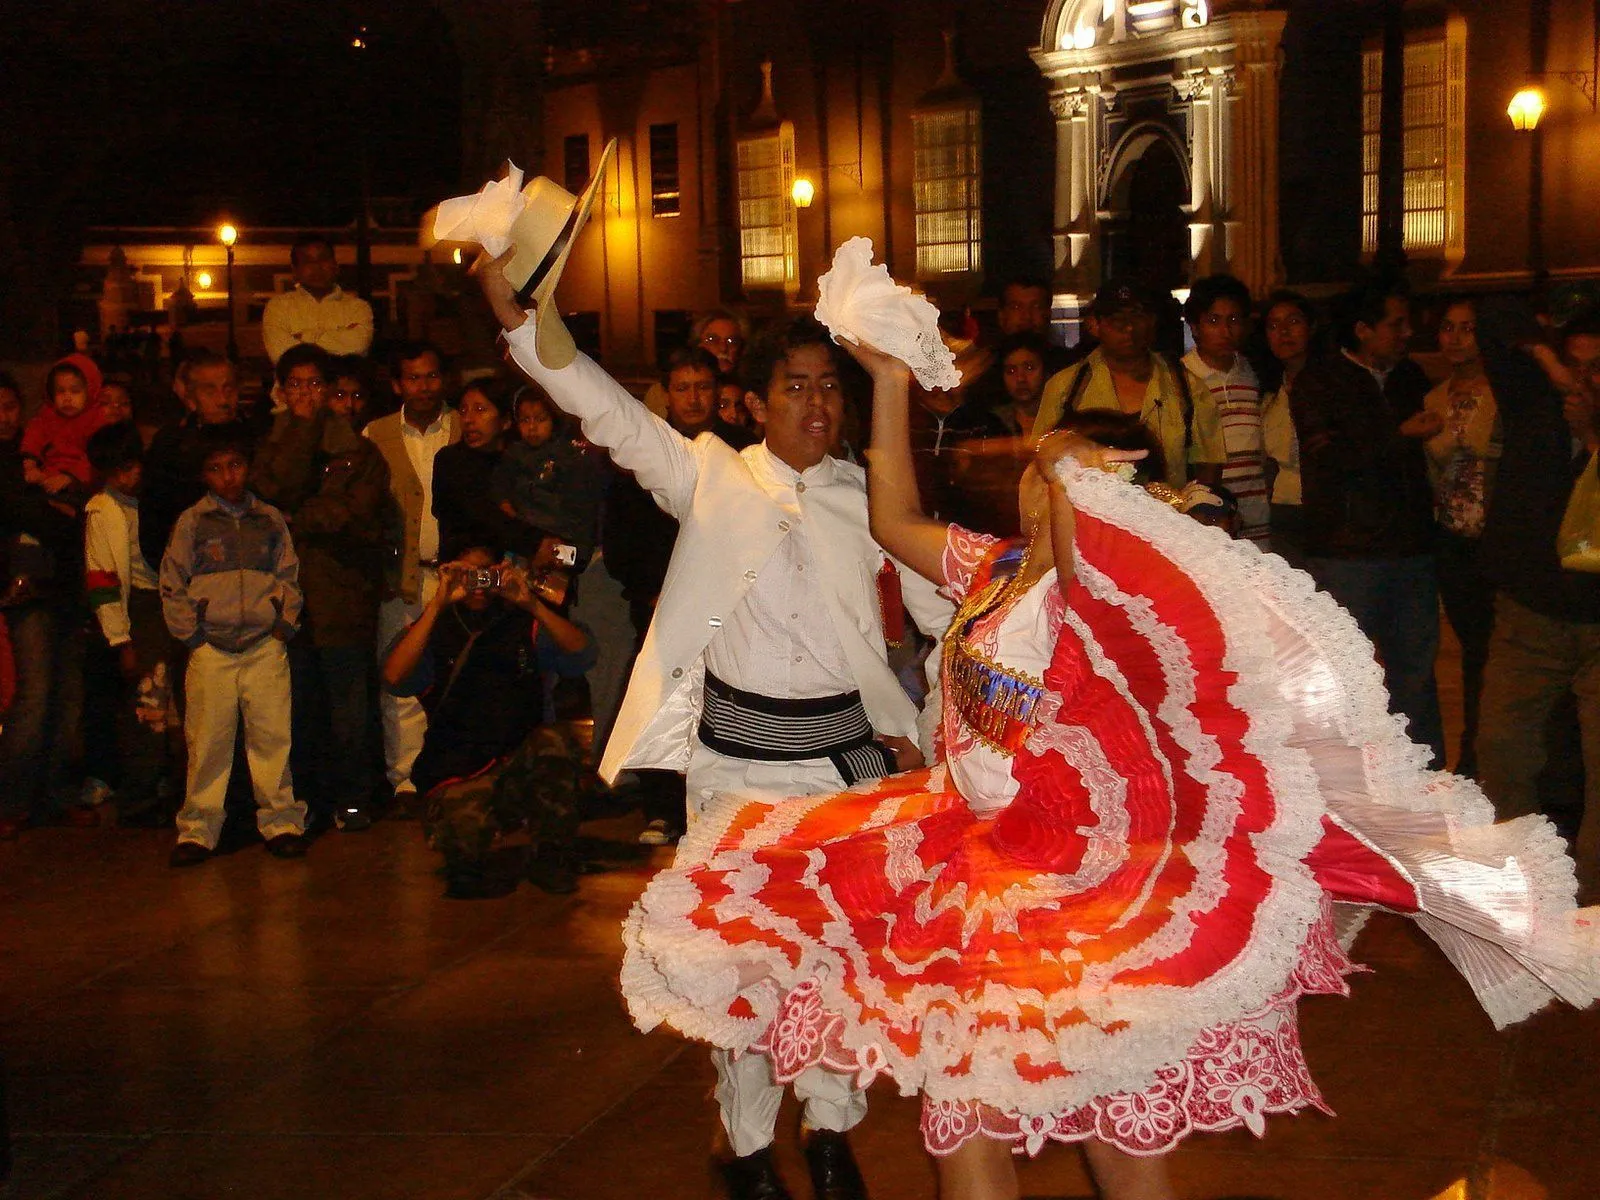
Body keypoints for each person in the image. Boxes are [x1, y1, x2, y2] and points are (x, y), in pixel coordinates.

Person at [622, 331, 1600, 1200]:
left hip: (1069, 892)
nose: (1031, 475)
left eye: (1052, 469)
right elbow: (891, 519)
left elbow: (1123, 590)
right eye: (1040, 466)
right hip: (966, 870)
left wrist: (1081, 477)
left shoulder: (1096, 608)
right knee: (970, 1115)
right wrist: (883, 379)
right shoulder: (994, 571)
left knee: (1106, 1131)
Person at [479, 252, 952, 1200]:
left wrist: (934, 726)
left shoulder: (876, 503)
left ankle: (830, 1133)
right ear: (755, 401)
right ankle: (745, 1146)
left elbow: (957, 622)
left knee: (837, 962)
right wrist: (518, 316)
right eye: (795, 386)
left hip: (846, 772)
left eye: (830, 386)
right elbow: (602, 406)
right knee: (744, 970)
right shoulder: (707, 475)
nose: (817, 404)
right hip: (735, 775)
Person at [381, 542, 599, 896]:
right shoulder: (436, 629)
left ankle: (552, 853)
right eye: (467, 573)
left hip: (517, 761)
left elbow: (583, 654)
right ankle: (468, 857)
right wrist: (437, 604)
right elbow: (393, 678)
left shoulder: (521, 622)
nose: (478, 584)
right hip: (458, 767)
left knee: (555, 744)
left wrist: (530, 603)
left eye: (485, 573)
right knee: (467, 864)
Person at [603, 348, 756, 847]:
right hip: (660, 604)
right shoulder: (645, 449)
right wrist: (650, 592)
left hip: (728, 605)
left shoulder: (746, 453)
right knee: (660, 703)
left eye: (703, 387)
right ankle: (662, 808)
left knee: (729, 704)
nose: (693, 398)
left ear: (718, 391)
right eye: (683, 388)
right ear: (666, 394)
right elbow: (621, 539)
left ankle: (726, 808)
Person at [1291, 278, 1444, 765]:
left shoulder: (1410, 377)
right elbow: (1328, 458)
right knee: (1345, 673)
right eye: (1395, 324)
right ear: (1362, 329)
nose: (1406, 333)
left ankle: (1425, 776)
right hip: (1346, 552)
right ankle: (1347, 777)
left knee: (1415, 675)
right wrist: (1398, 435)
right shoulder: (1321, 381)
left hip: (1411, 549)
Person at [1476, 308, 1600, 902]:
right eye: (1576, 365)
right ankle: (1525, 897)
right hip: (1530, 617)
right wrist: (1551, 363)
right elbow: (1492, 320)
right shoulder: (1536, 406)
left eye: (1596, 370)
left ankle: (1593, 915)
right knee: (1502, 754)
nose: (1582, 381)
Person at [251, 343, 392, 833]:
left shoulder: (359, 452)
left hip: (342, 593)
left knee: (348, 706)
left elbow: (352, 514)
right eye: (295, 385)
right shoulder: (271, 444)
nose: (305, 395)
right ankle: (305, 799)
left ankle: (353, 798)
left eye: (314, 384)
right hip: (286, 601)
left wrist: (299, 518)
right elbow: (270, 496)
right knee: (297, 708)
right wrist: (302, 434)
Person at [160, 428, 307, 866]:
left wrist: (283, 624)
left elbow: (289, 574)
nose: (228, 476)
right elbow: (172, 581)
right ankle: (197, 830)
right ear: (203, 475)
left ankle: (281, 822)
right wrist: (192, 635)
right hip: (212, 647)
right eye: (216, 468)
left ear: (248, 467)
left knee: (272, 737)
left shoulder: (269, 519)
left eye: (235, 465)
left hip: (264, 645)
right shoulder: (193, 522)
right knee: (208, 741)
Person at [364, 341, 461, 807]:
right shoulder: (376, 434)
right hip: (402, 576)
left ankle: (452, 773)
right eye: (414, 378)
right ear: (398, 384)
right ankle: (404, 779)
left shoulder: (464, 425)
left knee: (455, 676)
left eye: (431, 376)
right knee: (400, 681)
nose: (424, 387)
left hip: (457, 577)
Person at [0, 374, 92, 839]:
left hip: (67, 581)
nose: (4, 416)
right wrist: (63, 515)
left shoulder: (41, 445)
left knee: (67, 692)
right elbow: (22, 509)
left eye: (10, 406)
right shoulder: (14, 461)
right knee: (35, 691)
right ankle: (12, 801)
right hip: (28, 584)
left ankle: (57, 794)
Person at [1032, 279, 1224, 490]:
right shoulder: (1065, 388)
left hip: (1168, 508)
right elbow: (1040, 460)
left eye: (1138, 316)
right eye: (1116, 319)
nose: (1129, 327)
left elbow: (1209, 468)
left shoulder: (1188, 388)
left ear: (1153, 321)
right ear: (1095, 325)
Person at [1421, 298, 1501, 779]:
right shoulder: (1435, 398)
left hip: (1498, 536)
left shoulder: (1503, 392)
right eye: (1448, 327)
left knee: (1494, 649)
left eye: (1467, 328)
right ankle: (1471, 754)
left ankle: (1487, 754)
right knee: (1472, 646)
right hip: (1452, 535)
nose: (1455, 337)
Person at [84, 422, 175, 826]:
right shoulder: (104, 510)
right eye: (118, 471)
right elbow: (102, 580)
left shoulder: (148, 502)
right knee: (148, 702)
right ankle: (140, 795)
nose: (127, 477)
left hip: (162, 602)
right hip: (137, 606)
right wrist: (121, 639)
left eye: (131, 466)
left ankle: (161, 783)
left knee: (163, 700)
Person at [140, 350, 252, 570]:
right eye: (210, 391)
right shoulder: (170, 445)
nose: (222, 399)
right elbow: (154, 519)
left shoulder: (254, 436)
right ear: (191, 398)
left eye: (228, 388)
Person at [1182, 274, 1270, 543]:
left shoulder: (1255, 374)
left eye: (1233, 320)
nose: (1225, 331)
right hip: (1209, 519)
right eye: (1214, 321)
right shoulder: (1181, 378)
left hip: (1259, 515)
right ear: (1195, 327)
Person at [432, 376, 548, 561]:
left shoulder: (524, 461)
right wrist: (536, 543)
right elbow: (485, 516)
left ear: (506, 421)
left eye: (480, 410)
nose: (468, 419)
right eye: (463, 410)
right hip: (466, 569)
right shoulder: (450, 461)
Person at [491, 385, 605, 565]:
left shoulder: (571, 456)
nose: (532, 427)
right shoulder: (513, 454)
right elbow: (500, 488)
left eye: (540, 419)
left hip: (564, 541)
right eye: (525, 420)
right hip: (524, 539)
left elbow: (582, 515)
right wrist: (511, 515)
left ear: (554, 419)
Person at [1259, 291, 1316, 568]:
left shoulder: (1336, 385)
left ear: (1311, 327)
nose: (1283, 332)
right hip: (1283, 510)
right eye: (1273, 325)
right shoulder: (1269, 392)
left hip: (1327, 511)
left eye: (1293, 322)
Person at [261, 234, 374, 363]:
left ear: (335, 265)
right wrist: (337, 341)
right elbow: (281, 355)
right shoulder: (278, 307)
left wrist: (305, 336)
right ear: (295, 270)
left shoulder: (358, 307)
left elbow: (357, 346)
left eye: (323, 259)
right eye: (307, 261)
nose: (316, 266)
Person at [22, 354, 111, 512]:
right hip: (47, 477)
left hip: (82, 484)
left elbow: (96, 456)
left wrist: (69, 477)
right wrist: (30, 465)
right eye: (60, 391)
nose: (67, 398)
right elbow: (33, 436)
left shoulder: (97, 419)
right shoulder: (48, 414)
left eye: (75, 391)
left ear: (90, 390)